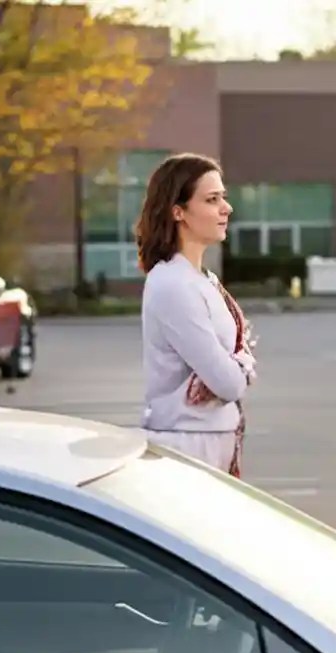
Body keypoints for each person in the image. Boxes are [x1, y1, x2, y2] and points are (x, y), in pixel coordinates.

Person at [135, 153, 257, 477]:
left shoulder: (202, 280)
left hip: (211, 439)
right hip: (186, 446)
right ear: (179, 211)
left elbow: (230, 366)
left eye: (223, 198)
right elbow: (228, 383)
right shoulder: (172, 284)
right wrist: (241, 365)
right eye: (212, 199)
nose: (226, 208)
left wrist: (236, 364)